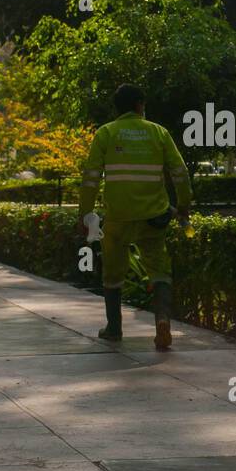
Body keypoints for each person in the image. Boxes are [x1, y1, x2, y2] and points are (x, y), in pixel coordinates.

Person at [79, 84, 192, 349]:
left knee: (112, 273)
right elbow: (180, 173)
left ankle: (114, 328)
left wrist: (85, 215)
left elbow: (91, 178)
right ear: (140, 105)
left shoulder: (106, 133)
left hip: (117, 217)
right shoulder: (158, 132)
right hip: (153, 216)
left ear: (117, 108)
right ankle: (162, 321)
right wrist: (184, 205)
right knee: (160, 271)